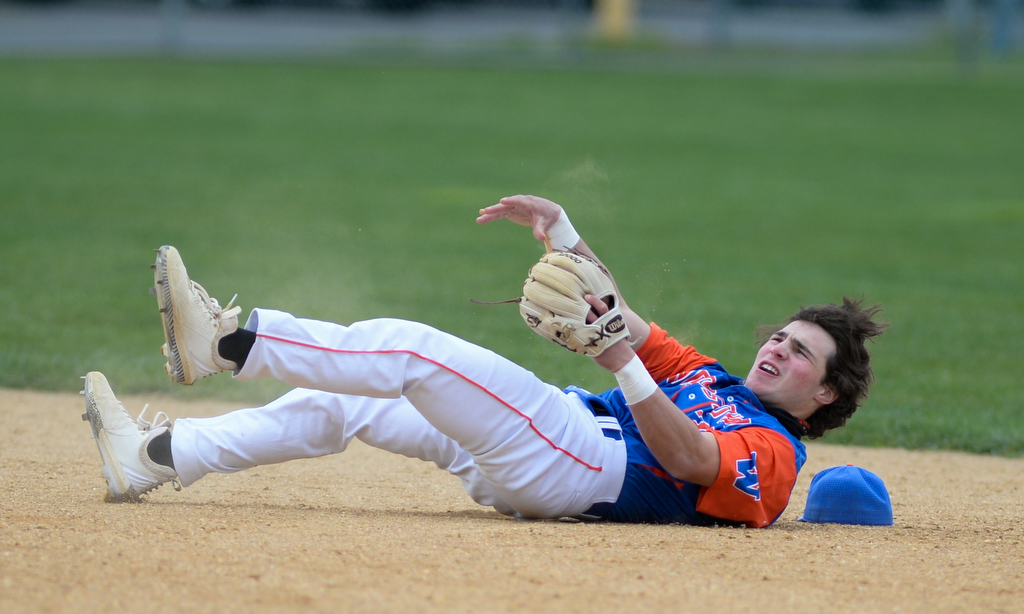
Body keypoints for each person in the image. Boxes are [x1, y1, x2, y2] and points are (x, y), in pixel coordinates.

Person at [82, 195, 886, 527]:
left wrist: (621, 363)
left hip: (589, 468)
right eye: (781, 335)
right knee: (350, 402)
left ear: (826, 397)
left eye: (802, 353)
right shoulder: (707, 374)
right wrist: (564, 233)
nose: (779, 347)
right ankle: (154, 457)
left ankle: (231, 341)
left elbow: (688, 456)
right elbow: (617, 312)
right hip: (554, 447)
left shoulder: (776, 455)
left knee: (417, 352)